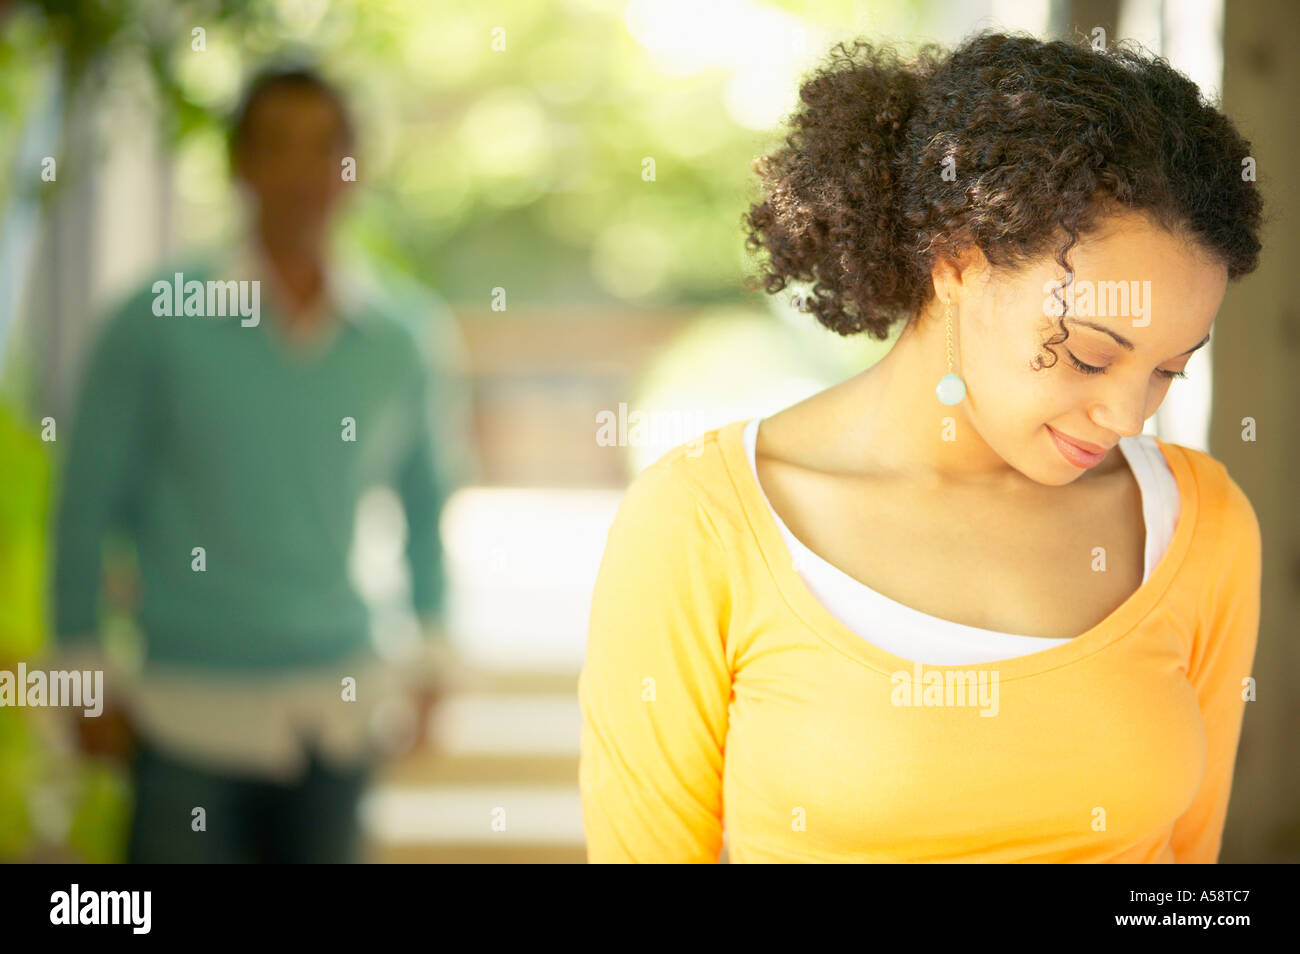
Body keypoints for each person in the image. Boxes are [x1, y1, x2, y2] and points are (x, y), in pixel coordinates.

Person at [578, 32, 1264, 863]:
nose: (1128, 416)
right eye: (1088, 353)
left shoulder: (1202, 523)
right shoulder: (701, 522)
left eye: (1168, 372)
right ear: (956, 259)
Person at [51, 64, 475, 862]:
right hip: (186, 713)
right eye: (276, 145)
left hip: (338, 714)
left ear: (353, 167)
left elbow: (426, 507)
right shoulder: (154, 320)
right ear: (240, 164)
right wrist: (82, 674)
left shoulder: (402, 337)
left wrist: (432, 655)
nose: (301, 172)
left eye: (324, 147)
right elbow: (85, 509)